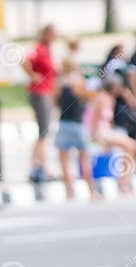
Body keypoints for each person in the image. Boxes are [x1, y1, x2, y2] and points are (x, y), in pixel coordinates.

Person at [54, 58, 97, 199]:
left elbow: (55, 101)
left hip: (64, 123)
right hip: (78, 124)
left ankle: (69, 192)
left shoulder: (59, 82)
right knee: (84, 159)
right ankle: (92, 192)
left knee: (64, 160)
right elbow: (88, 97)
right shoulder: (78, 80)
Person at [22, 24, 57, 182]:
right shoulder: (39, 49)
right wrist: (33, 75)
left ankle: (40, 165)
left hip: (46, 92)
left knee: (44, 130)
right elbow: (24, 61)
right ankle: (37, 166)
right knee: (43, 130)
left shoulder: (48, 50)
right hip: (39, 92)